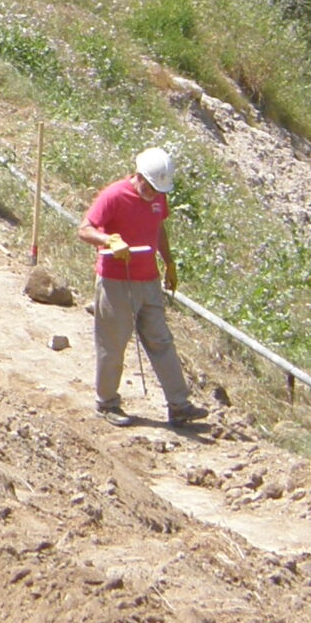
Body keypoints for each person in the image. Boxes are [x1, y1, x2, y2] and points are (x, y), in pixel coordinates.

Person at [77, 147, 203, 428]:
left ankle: (179, 404)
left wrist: (169, 262)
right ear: (139, 177)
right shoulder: (114, 195)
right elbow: (85, 229)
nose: (154, 195)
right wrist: (108, 241)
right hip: (116, 282)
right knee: (113, 343)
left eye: (159, 191)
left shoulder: (159, 196)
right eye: (150, 188)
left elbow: (159, 228)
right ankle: (107, 403)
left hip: (149, 281)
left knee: (161, 341)